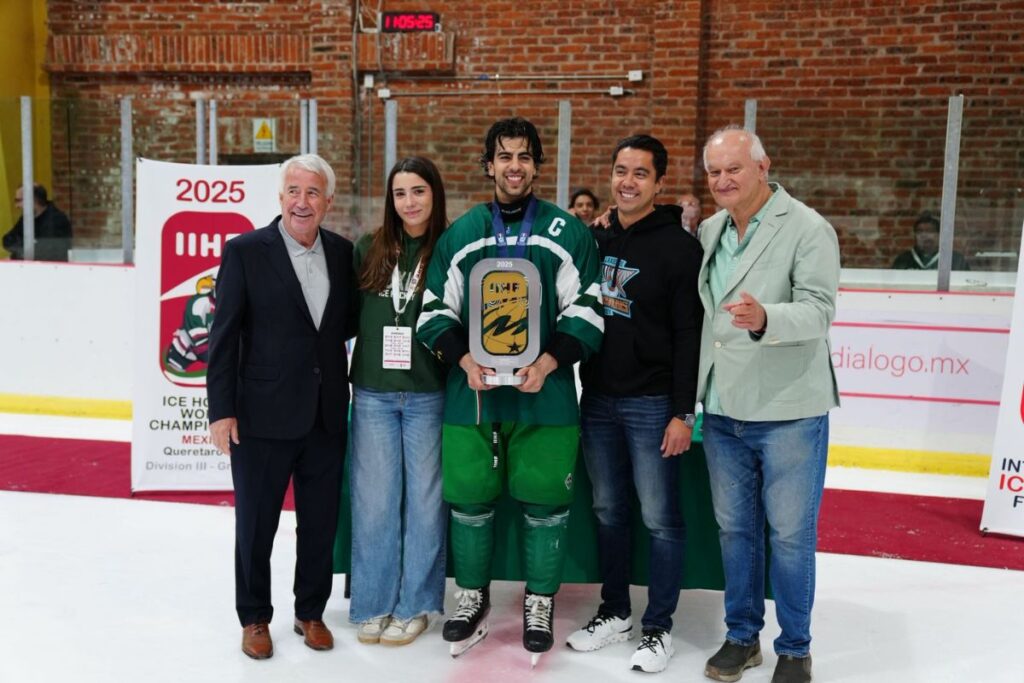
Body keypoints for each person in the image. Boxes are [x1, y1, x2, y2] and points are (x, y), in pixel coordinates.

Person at [416, 117, 603, 664]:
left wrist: (550, 361)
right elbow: (434, 310)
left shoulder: (567, 232)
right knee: (469, 500)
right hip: (471, 392)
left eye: (524, 157)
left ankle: (539, 602)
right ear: (488, 164)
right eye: (504, 156)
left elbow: (588, 309)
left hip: (544, 393)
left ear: (537, 166)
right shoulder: (463, 232)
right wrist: (463, 357)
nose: (514, 166)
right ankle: (471, 598)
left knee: (546, 502)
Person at [696, 126, 840, 683]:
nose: (723, 180)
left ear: (763, 166)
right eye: (714, 172)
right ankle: (741, 636)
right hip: (725, 409)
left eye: (734, 168)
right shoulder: (710, 229)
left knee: (790, 534)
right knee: (735, 531)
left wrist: (767, 318)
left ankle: (796, 647)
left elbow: (820, 310)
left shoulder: (807, 227)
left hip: (788, 412)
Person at [206, 154, 357, 660]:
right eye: (294, 190)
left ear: (328, 202)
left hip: (326, 415)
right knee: (256, 523)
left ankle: (310, 611)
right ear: (280, 197)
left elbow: (347, 327)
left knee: (319, 521)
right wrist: (220, 411)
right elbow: (222, 338)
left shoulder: (342, 253)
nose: (302, 201)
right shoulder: (246, 251)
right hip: (261, 416)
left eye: (313, 192)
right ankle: (253, 617)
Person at [567, 135, 703, 673]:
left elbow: (689, 335)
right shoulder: (596, 239)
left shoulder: (679, 248)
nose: (627, 181)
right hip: (598, 398)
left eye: (640, 174)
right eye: (620, 170)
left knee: (662, 519)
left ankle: (659, 627)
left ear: (659, 183)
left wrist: (682, 412)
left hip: (652, 404)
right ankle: (615, 611)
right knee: (608, 511)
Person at [348, 157, 449, 646]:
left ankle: (415, 604)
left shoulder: (449, 248)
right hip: (373, 393)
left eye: (418, 191)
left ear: (435, 194)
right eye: (400, 193)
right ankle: (371, 604)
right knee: (374, 503)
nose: (409, 202)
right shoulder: (369, 247)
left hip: (429, 391)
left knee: (425, 503)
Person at [3, 184, 72, 261]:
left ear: (33, 200)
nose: (17, 206)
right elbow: (8, 240)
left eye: (19, 200)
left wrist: (16, 254)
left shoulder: (57, 220)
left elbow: (45, 252)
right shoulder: (27, 217)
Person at [164, 275, 216, 375]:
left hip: (199, 352)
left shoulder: (221, 304)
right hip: (180, 355)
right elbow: (198, 337)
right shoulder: (200, 301)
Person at [891, 211, 970, 270]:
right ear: (915, 236)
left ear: (939, 235)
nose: (925, 235)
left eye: (930, 231)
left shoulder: (955, 260)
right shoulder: (903, 260)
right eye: (920, 231)